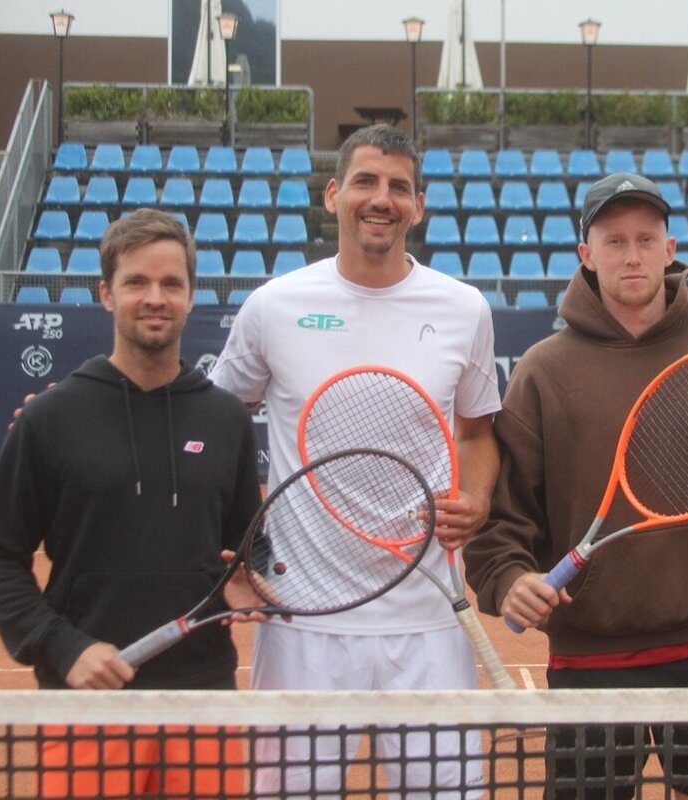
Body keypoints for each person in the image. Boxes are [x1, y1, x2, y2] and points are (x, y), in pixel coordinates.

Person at [208, 123, 501, 797]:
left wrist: (478, 498)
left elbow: (479, 433)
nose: (382, 198)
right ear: (334, 194)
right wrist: (239, 544)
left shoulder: (463, 309)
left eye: (399, 187)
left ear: (417, 206)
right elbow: (212, 425)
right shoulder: (273, 308)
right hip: (304, 622)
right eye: (366, 181)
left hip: (431, 618)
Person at [463, 172, 688, 800]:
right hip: (587, 659)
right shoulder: (544, 368)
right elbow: (505, 516)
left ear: (670, 250)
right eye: (614, 241)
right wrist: (510, 579)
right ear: (586, 256)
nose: (632, 255)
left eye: (646, 239)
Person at [0, 208, 264, 798]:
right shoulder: (49, 418)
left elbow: (244, 541)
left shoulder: (228, 419)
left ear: (189, 296)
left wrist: (248, 573)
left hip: (202, 696)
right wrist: (63, 647)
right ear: (106, 293)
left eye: (171, 284)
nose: (155, 298)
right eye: (137, 282)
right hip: (86, 699)